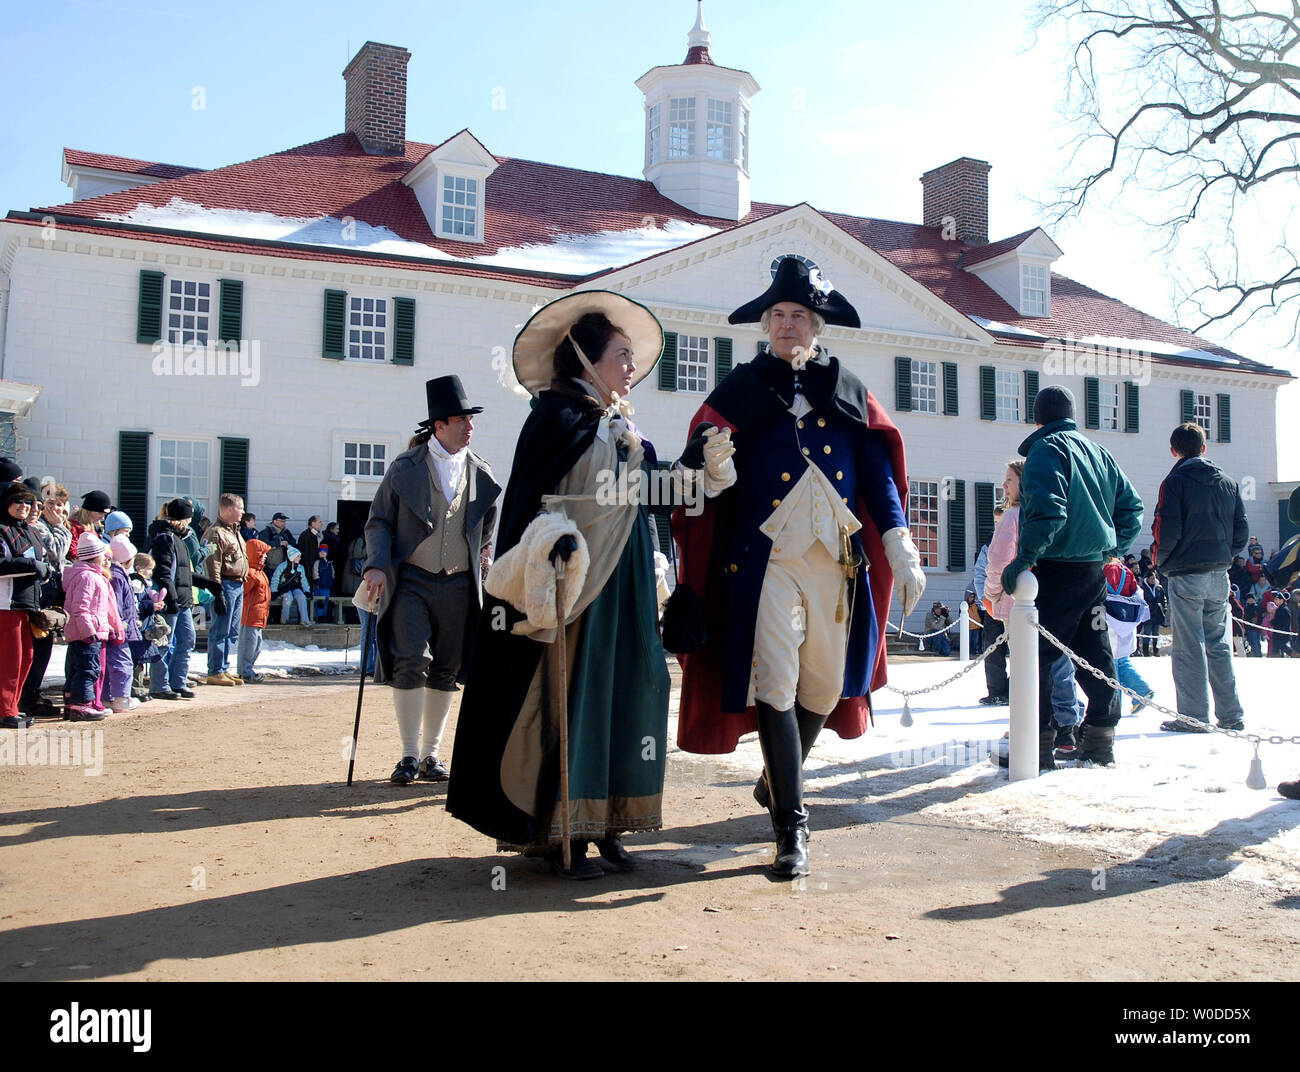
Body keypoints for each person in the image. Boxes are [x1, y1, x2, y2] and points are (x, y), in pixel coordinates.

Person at [671, 257, 925, 878]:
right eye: (778, 315)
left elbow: (877, 476)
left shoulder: (848, 390)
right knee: (777, 684)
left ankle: (776, 781)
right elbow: (693, 477)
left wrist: (897, 540)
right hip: (765, 562)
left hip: (836, 560)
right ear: (765, 324)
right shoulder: (736, 391)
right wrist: (713, 471)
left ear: (817, 326)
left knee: (825, 685)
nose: (787, 325)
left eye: (799, 316)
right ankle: (792, 828)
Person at [449, 295, 675, 879]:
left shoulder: (620, 423)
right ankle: (556, 832)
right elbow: (536, 505)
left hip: (624, 581)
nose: (631, 367)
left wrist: (695, 467)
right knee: (574, 699)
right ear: (584, 358)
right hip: (576, 585)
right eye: (621, 355)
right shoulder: (555, 419)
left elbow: (647, 490)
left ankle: (607, 822)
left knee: (625, 692)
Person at [362, 374, 501, 788]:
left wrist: (482, 557)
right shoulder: (405, 468)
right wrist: (374, 565)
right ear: (439, 425)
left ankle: (431, 756)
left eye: (470, 420)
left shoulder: (482, 472)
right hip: (412, 581)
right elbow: (379, 522)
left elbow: (486, 526)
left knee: (447, 667)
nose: (470, 427)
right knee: (410, 660)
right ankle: (407, 754)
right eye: (462, 419)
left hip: (460, 584)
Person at [1001, 386, 1143, 768]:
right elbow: (1132, 508)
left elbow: (1049, 512)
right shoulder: (1100, 452)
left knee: (1038, 658)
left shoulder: (1045, 451)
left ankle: (1037, 746)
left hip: (1055, 571)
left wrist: (1025, 558)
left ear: (1037, 419)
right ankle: (1100, 739)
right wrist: (1112, 548)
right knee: (1096, 655)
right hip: (1092, 571)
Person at [983, 459, 1086, 762]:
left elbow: (999, 562)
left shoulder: (1013, 517)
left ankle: (1030, 729)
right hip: (1055, 597)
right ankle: (1066, 726)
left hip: (1020, 603)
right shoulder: (1052, 513)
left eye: (1010, 480)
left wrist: (991, 594)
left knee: (1029, 670)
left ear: (1024, 483)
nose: (1004, 486)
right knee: (1060, 664)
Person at [1152, 422, 1248, 733]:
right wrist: (1226, 556)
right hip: (1219, 572)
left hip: (1185, 572)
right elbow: (1241, 532)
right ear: (1204, 448)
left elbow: (1166, 531)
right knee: (1218, 644)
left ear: (1173, 451)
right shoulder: (1229, 483)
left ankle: (1194, 716)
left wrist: (1160, 562)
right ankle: (1231, 714)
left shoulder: (1174, 482)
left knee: (1188, 645)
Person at [148, 498, 215, 700]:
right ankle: (160, 684)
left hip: (184, 600)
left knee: (187, 640)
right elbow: (164, 573)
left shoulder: (179, 538)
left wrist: (209, 584)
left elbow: (186, 573)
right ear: (184, 518)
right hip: (172, 601)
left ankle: (178, 681)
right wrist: (173, 598)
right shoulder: (165, 538)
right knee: (164, 642)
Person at [0, 483, 51, 728]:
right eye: (18, 501)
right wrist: (32, 567)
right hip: (5, 602)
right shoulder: (1, 529)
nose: (24, 506)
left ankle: (12, 706)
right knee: (9, 659)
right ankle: (4, 710)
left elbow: (41, 561)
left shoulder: (31, 531)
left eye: (27, 502)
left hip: (27, 602)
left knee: (26, 658)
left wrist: (44, 571)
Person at [63, 532, 122, 720]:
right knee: (88, 669)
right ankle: (82, 705)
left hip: (88, 631)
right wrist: (89, 632)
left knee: (77, 668)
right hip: (87, 634)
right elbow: (81, 607)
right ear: (96, 555)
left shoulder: (88, 575)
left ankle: (73, 703)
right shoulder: (88, 577)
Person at [202, 492, 245, 684]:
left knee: (232, 630)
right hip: (225, 584)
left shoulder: (234, 530)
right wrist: (217, 590)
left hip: (238, 583)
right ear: (229, 509)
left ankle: (224, 667)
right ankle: (215, 669)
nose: (243, 512)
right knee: (221, 628)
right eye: (240, 508)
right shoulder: (216, 532)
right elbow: (214, 564)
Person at [1103, 557, 1153, 713]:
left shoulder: (1103, 569)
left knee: (1111, 667)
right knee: (1122, 661)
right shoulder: (1126, 571)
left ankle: (1113, 707)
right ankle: (1141, 692)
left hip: (1108, 621)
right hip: (1127, 621)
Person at [977, 505, 1009, 705]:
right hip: (993, 604)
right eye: (996, 522)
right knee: (992, 650)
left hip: (1017, 606)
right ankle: (996, 691)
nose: (999, 526)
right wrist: (985, 599)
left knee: (1022, 652)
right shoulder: (989, 545)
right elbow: (980, 573)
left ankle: (1018, 690)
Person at [238, 539, 271, 682]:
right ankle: (245, 672)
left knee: (256, 646)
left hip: (259, 616)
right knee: (248, 645)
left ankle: (248, 670)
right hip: (250, 616)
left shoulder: (259, 572)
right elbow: (243, 593)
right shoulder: (251, 573)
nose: (265, 556)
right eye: (263, 554)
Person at [272, 545, 311, 625]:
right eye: (298, 556)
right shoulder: (282, 566)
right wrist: (273, 590)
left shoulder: (300, 568)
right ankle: (284, 620)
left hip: (296, 588)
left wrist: (307, 591)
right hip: (284, 588)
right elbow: (275, 579)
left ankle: (304, 619)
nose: (300, 558)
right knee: (288, 598)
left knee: (302, 597)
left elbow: (304, 580)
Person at [1138, 570, 1166, 656]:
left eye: (1154, 578)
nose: (1153, 580)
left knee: (1156, 633)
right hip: (1148, 613)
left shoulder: (1159, 588)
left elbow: (1163, 599)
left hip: (1157, 613)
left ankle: (1156, 650)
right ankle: (1146, 651)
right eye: (1151, 578)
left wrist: (1164, 608)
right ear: (1147, 579)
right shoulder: (1143, 588)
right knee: (1147, 632)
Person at [259, 513, 296, 577]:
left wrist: (288, 545)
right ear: (274, 521)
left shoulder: (286, 532)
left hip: (284, 566)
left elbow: (293, 543)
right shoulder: (266, 532)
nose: (284, 523)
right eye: (281, 521)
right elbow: (263, 546)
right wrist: (278, 543)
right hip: (269, 568)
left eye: (284, 521)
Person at [311, 546, 335, 621]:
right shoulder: (317, 562)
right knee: (317, 602)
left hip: (327, 586)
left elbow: (333, 573)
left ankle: (324, 615)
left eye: (324, 552)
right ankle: (317, 615)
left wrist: (332, 580)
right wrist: (317, 580)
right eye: (320, 552)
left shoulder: (329, 563)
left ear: (327, 553)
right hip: (319, 585)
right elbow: (315, 571)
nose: (322, 553)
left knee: (325, 601)